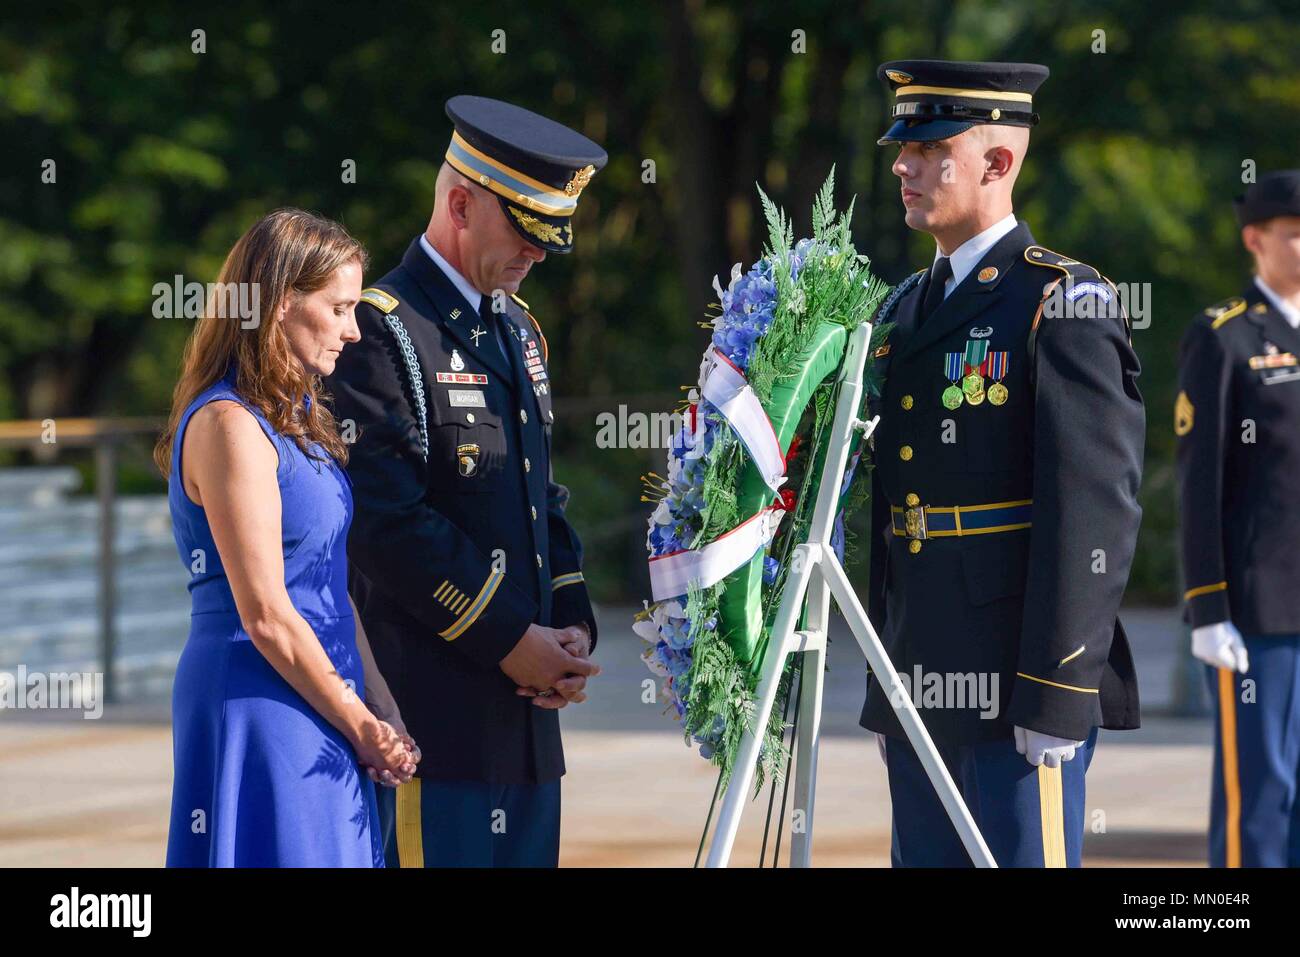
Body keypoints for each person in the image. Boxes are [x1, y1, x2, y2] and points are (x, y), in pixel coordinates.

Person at [860, 60, 1145, 866]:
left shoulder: (1061, 301)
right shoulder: (904, 305)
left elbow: (1095, 511)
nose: (902, 164)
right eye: (901, 146)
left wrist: (1058, 690)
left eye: (930, 147)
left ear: (998, 163)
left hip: (1014, 683)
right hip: (918, 674)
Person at [326, 96, 603, 867]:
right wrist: (511, 637)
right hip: (431, 722)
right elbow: (387, 524)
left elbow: (538, 495)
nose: (540, 256)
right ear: (459, 204)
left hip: (524, 728)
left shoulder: (517, 329)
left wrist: (572, 622)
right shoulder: (382, 328)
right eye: (526, 232)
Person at [157, 208, 419, 867]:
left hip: (326, 693)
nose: (353, 330)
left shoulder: (300, 418)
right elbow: (268, 613)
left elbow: (327, 580)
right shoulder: (228, 423)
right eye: (339, 308)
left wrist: (380, 705)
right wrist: (360, 723)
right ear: (279, 304)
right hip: (261, 697)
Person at [1176, 170, 1300, 868]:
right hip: (1258, 613)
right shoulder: (1223, 336)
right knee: (1259, 793)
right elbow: (1199, 481)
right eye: (1294, 235)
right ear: (1255, 240)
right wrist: (1208, 607)